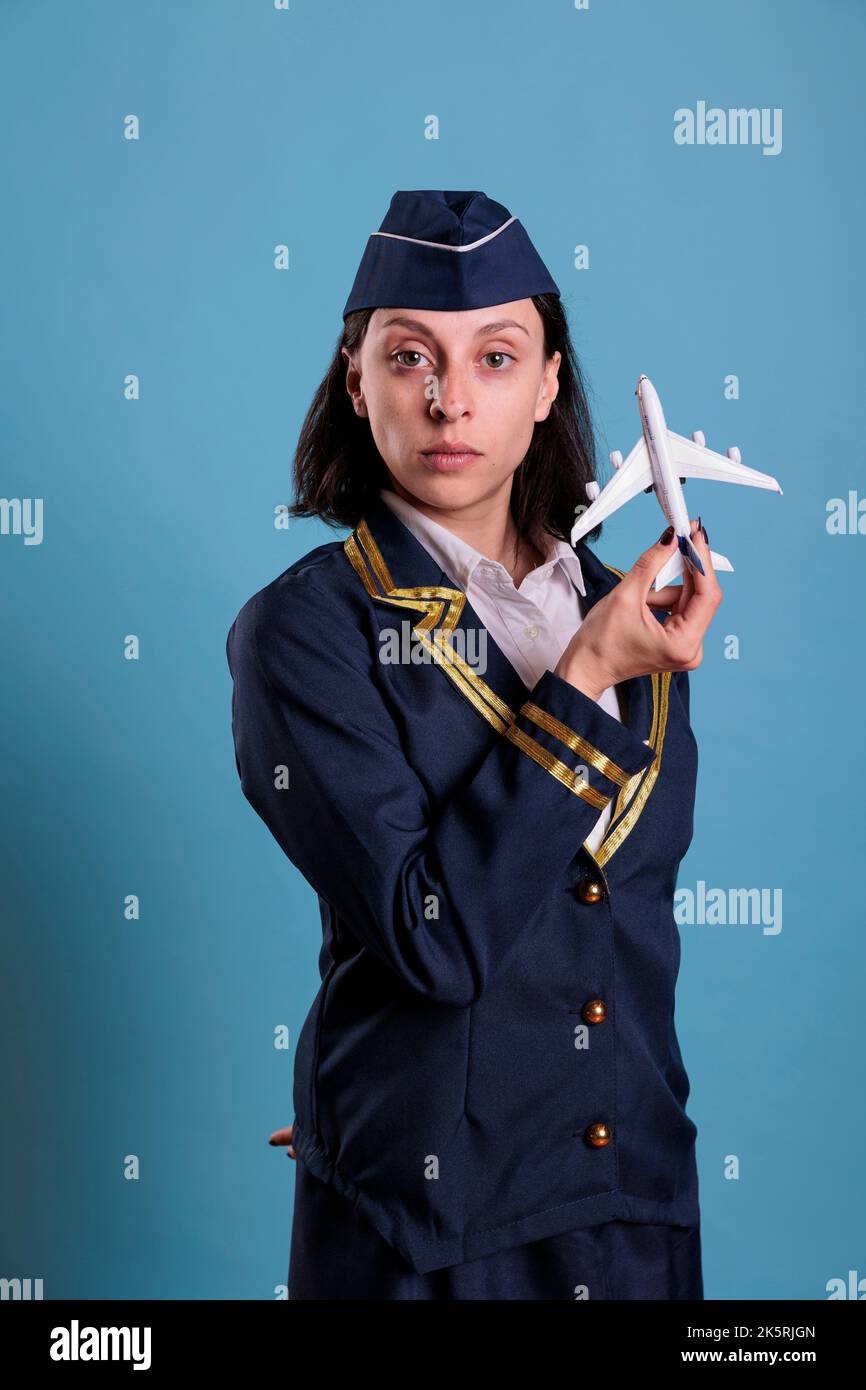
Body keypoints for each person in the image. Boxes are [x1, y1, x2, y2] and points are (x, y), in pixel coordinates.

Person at [226, 189, 722, 1300]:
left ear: (549, 384)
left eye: (495, 358)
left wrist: (380, 1079)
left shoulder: (629, 603)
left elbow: (610, 920)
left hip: (635, 1211)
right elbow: (430, 937)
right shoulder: (306, 631)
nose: (449, 399)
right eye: (410, 359)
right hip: (430, 1239)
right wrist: (588, 673)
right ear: (356, 381)